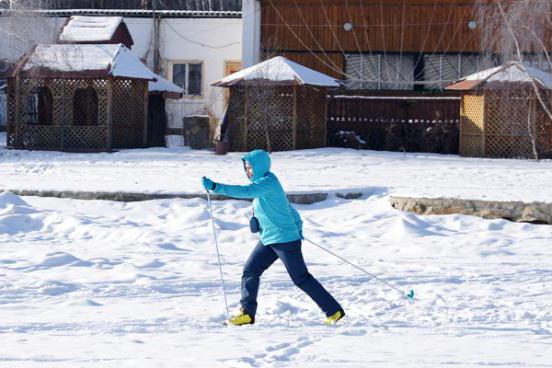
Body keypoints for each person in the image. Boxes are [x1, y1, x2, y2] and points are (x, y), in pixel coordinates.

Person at [202, 149, 344, 326]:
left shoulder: (268, 183)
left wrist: (216, 187)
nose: (248, 171)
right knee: (250, 271)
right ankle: (247, 313)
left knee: (300, 278)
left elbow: (246, 191)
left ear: (260, 167)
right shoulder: (263, 184)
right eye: (246, 168)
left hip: (284, 240)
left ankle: (333, 310)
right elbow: (288, 208)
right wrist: (297, 226)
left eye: (251, 168)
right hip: (269, 239)